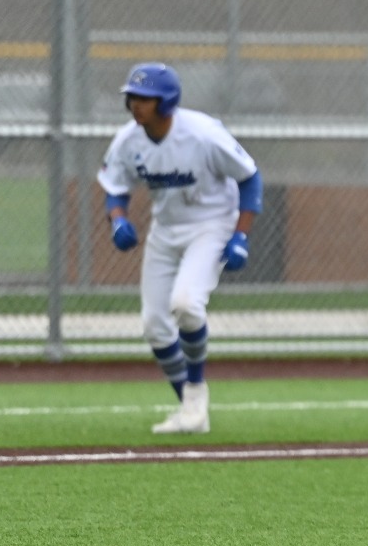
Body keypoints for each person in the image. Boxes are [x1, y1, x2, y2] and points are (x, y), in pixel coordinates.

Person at [97, 63, 263, 434]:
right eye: (133, 98)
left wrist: (240, 236)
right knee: (156, 326)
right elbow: (114, 187)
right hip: (166, 229)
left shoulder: (202, 134)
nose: (136, 105)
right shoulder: (129, 139)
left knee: (186, 305)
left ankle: (194, 393)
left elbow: (250, 178)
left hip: (212, 224)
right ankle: (192, 411)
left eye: (145, 99)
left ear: (166, 101)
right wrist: (118, 219)